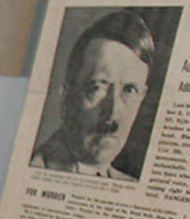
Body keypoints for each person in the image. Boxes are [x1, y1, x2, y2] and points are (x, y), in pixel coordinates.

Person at [31, 10, 156, 179]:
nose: (112, 115)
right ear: (66, 99)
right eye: (97, 88)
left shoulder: (129, 183)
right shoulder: (34, 169)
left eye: (129, 90)